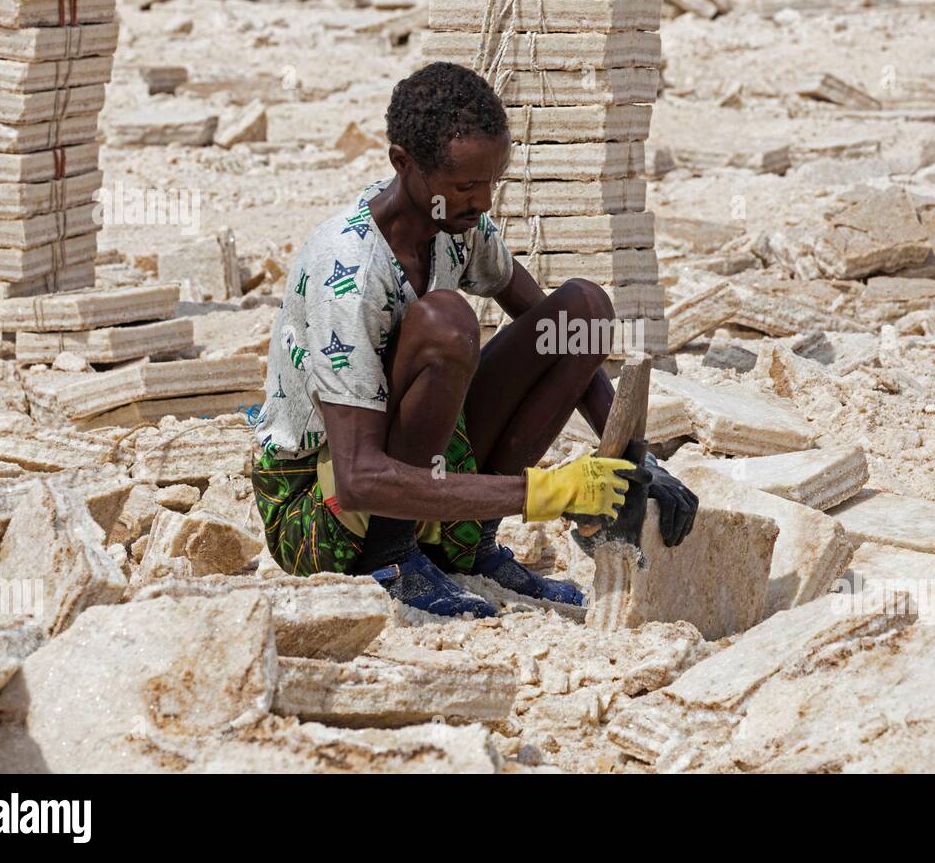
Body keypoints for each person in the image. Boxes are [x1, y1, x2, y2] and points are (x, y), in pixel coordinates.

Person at [250, 62, 699, 618]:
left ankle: (467, 546)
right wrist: (549, 493)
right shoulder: (349, 272)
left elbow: (563, 337)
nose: (484, 201)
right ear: (403, 164)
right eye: (466, 185)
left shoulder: (456, 226)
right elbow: (360, 477)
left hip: (414, 466)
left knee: (584, 307)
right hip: (321, 507)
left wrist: (636, 458)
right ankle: (391, 557)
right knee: (446, 323)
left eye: (493, 181)